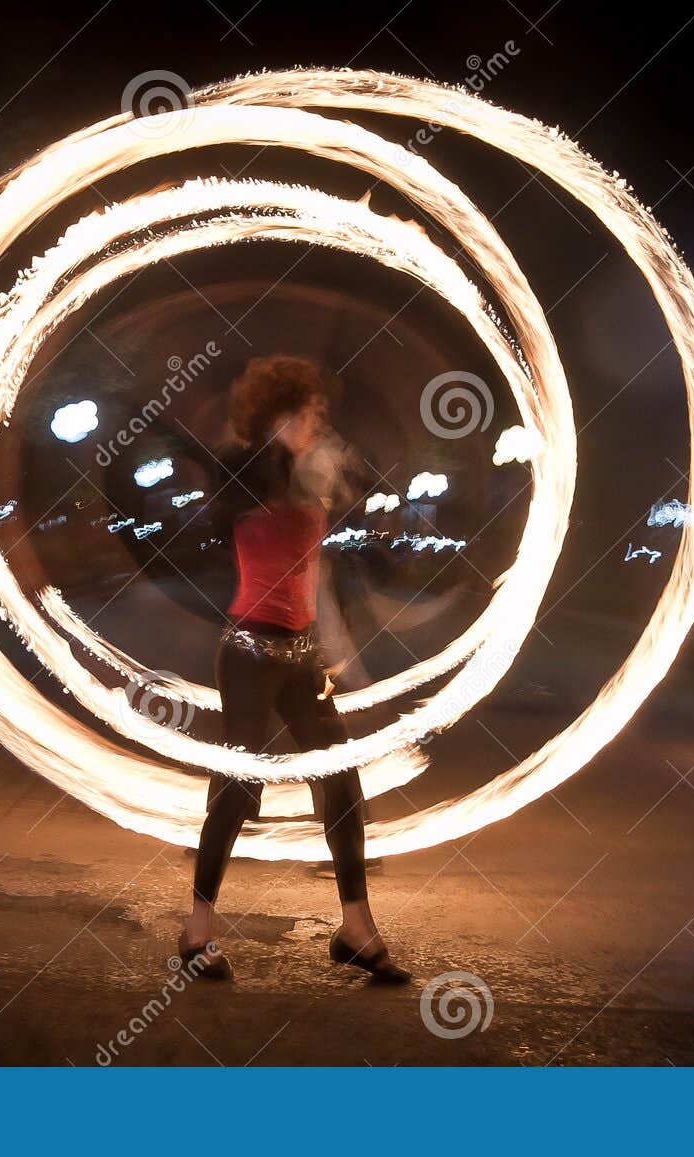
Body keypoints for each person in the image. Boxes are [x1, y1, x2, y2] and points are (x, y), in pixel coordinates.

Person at [179, 355, 411, 984]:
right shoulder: (245, 473)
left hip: (301, 657)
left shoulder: (310, 474)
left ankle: (356, 929)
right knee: (237, 789)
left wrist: (339, 654)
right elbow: (246, 487)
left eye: (317, 412)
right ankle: (196, 929)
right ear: (277, 417)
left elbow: (324, 567)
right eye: (306, 412)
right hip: (250, 656)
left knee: (340, 782)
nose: (317, 421)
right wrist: (299, 454)